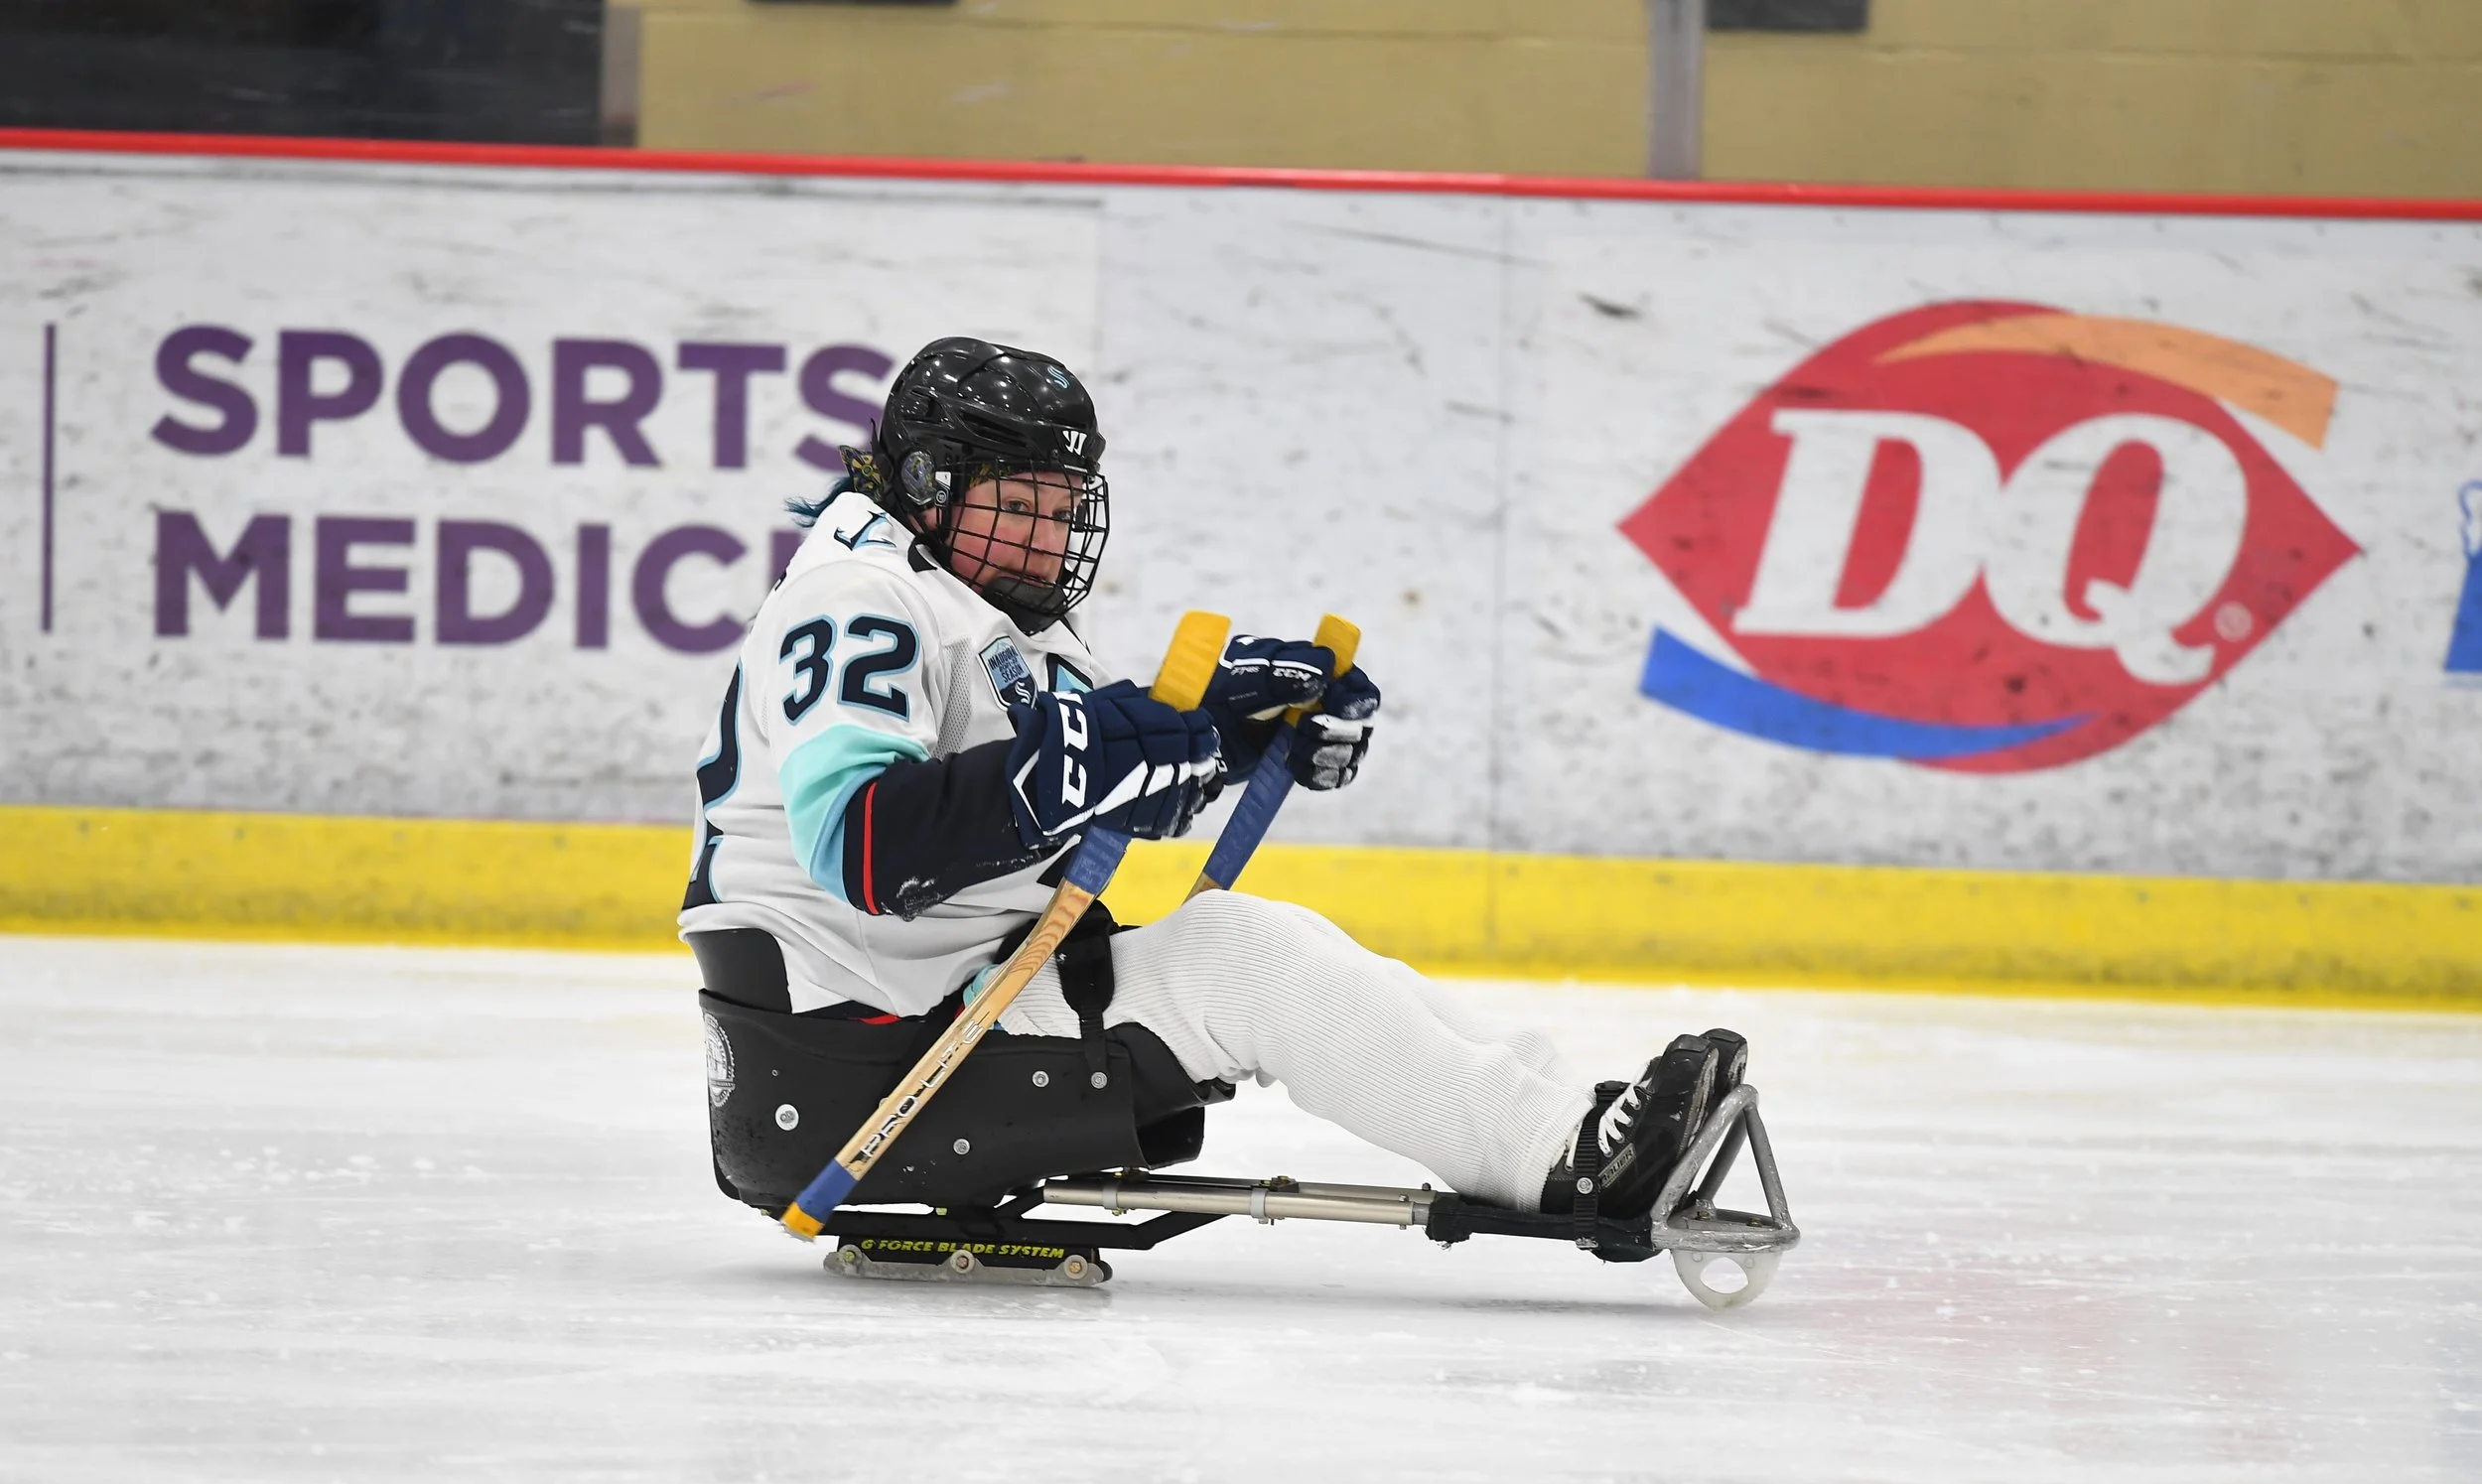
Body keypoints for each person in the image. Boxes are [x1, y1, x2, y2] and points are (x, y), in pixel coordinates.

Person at [679, 337, 1742, 1225]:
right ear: (926, 487)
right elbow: (868, 846)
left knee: (1261, 936)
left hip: (937, 1009)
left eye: (1062, 508)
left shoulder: (984, 611)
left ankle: (1568, 1120)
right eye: (1017, 505)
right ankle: (1556, 1157)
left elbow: (1072, 787)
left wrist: (1231, 732)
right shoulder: (857, 599)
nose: (1045, 541)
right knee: (1243, 959)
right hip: (853, 1063)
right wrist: (1105, 752)